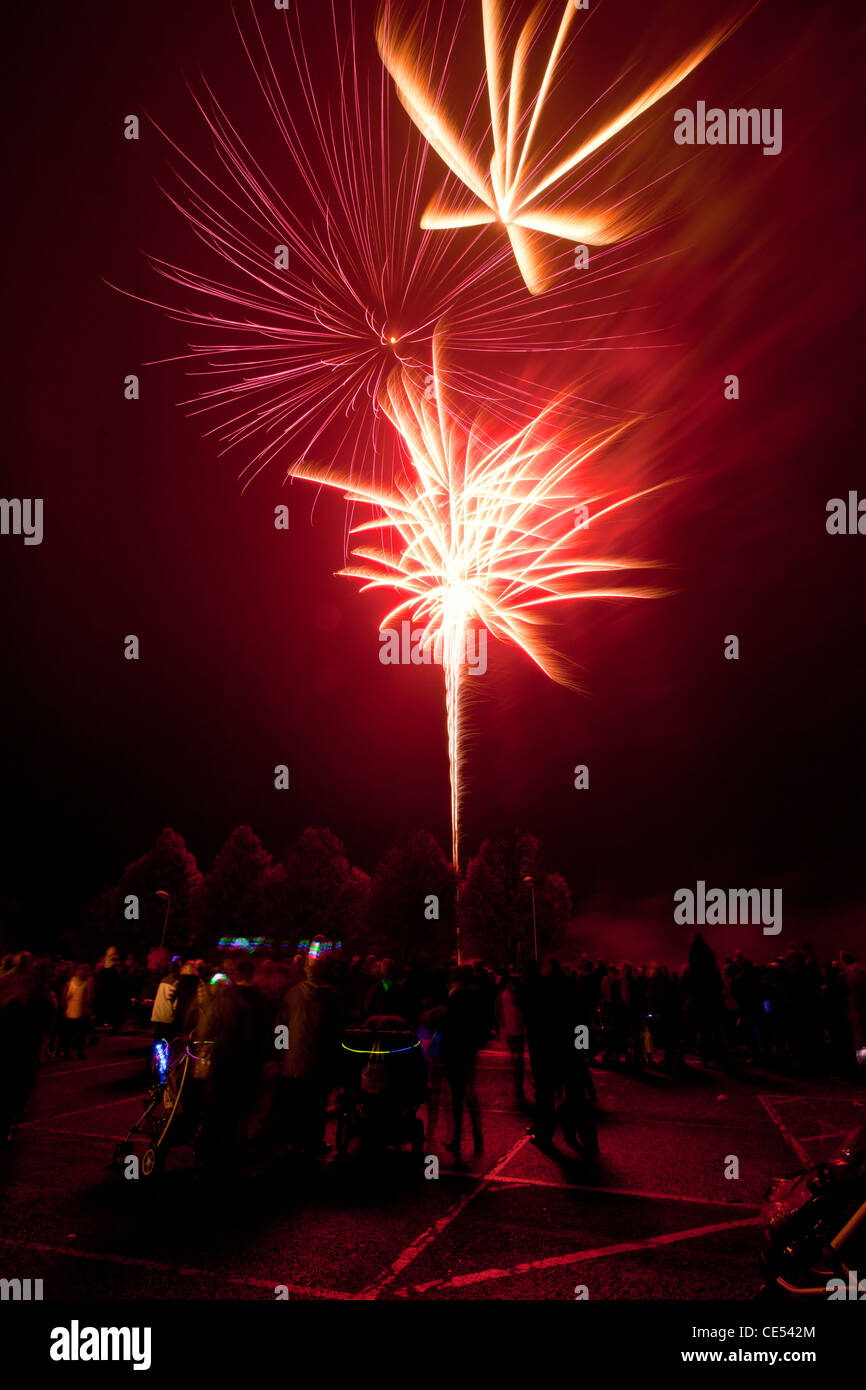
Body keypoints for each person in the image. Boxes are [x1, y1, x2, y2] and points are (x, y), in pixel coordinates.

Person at [0, 954, 53, 1144]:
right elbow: (47, 1013)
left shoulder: (5, 981)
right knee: (16, 1084)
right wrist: (44, 1042)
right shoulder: (35, 985)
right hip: (24, 1041)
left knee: (9, 1084)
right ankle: (7, 1122)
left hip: (10, 1038)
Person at [441, 965, 486, 1158]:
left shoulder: (455, 997)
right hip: (469, 1047)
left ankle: (457, 1137)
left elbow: (449, 1025)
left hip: (454, 1049)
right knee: (469, 1091)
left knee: (456, 1095)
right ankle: (477, 1135)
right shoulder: (476, 996)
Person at [496, 973, 526, 1104]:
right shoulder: (503, 997)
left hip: (517, 1031)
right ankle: (517, 1083)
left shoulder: (517, 997)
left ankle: (518, 1083)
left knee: (517, 1058)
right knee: (516, 1058)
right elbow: (498, 1013)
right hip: (511, 1031)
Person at [59, 964, 93, 1060]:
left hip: (82, 1011)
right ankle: (66, 1051)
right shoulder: (70, 982)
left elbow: (89, 998)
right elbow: (65, 996)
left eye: (84, 971)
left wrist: (89, 1006)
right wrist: (63, 1006)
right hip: (70, 1011)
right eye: (80, 970)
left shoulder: (87, 983)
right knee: (68, 1033)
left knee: (81, 1034)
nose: (81, 972)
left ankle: (80, 1052)